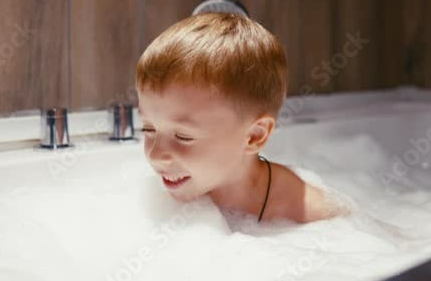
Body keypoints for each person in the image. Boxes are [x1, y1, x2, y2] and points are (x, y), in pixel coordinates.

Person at [135, 12, 349, 224]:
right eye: (148, 130)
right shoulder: (168, 191)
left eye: (183, 137)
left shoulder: (314, 215)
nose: (156, 155)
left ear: (254, 136)